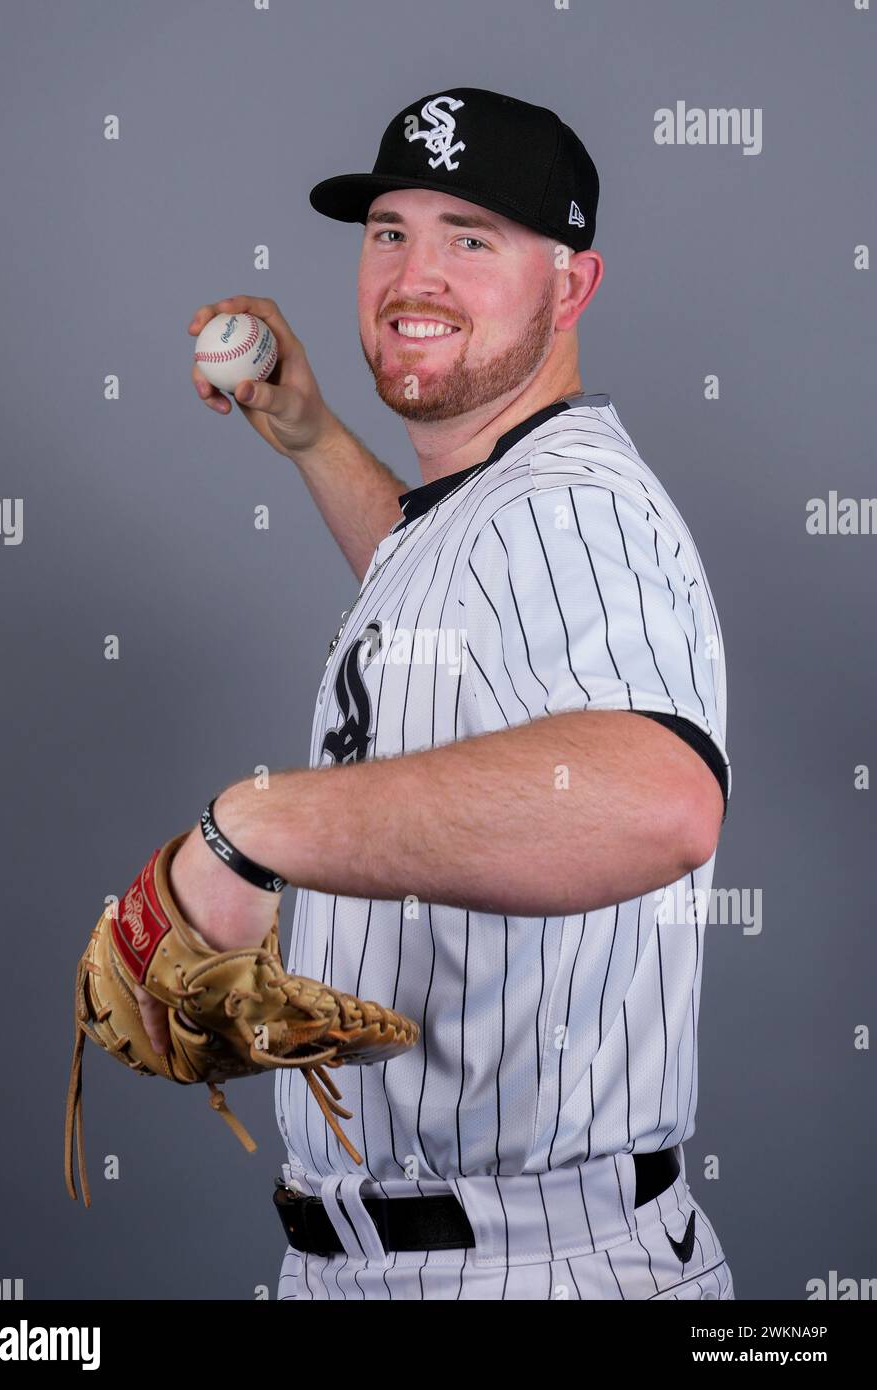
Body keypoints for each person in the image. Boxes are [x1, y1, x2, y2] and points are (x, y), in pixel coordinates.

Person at [152, 87, 734, 1300]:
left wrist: (250, 827)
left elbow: (659, 800)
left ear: (571, 288)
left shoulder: (573, 503)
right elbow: (451, 616)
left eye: (471, 236)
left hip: (535, 1267)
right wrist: (312, 436)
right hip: (391, 1260)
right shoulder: (493, 506)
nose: (415, 274)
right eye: (390, 231)